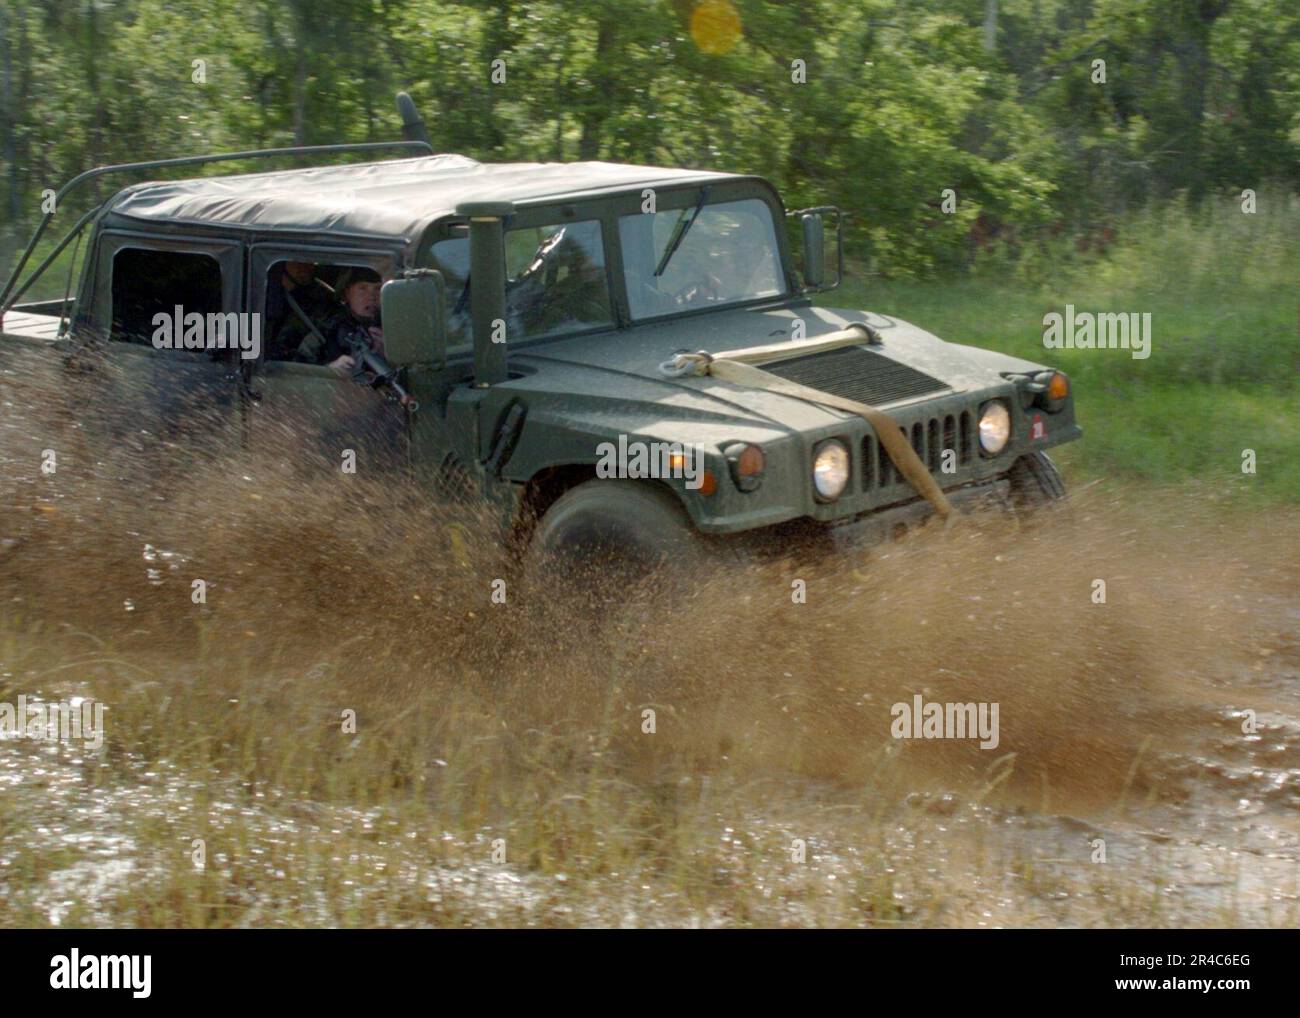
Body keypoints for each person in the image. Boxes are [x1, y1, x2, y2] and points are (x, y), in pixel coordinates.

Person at [294, 267, 384, 372]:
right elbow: (297, 374)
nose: (372, 297)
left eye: (378, 288)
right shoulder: (327, 332)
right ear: (346, 294)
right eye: (362, 288)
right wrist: (329, 371)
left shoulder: (395, 328)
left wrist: (391, 355)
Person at [265, 261, 336, 360]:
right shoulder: (262, 296)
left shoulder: (319, 297)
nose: (308, 265)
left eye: (309, 261)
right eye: (297, 260)